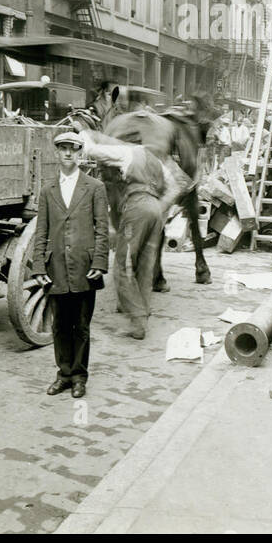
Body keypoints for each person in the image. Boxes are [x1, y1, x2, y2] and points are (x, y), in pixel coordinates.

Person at [78, 128, 192, 340]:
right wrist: (158, 205)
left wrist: (83, 132)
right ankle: (143, 313)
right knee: (145, 267)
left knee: (122, 265)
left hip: (137, 207)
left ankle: (138, 321)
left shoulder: (128, 153)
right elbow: (178, 186)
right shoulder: (157, 162)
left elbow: (92, 151)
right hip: (156, 211)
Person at [29, 131, 110, 398]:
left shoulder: (94, 187)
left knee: (81, 325)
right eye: (63, 149)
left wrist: (99, 261)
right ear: (56, 153)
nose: (67, 153)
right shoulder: (47, 190)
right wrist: (39, 267)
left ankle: (79, 377)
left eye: (73, 149)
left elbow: (102, 229)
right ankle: (63, 374)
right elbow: (41, 232)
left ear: (80, 154)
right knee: (59, 325)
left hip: (85, 267)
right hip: (56, 270)